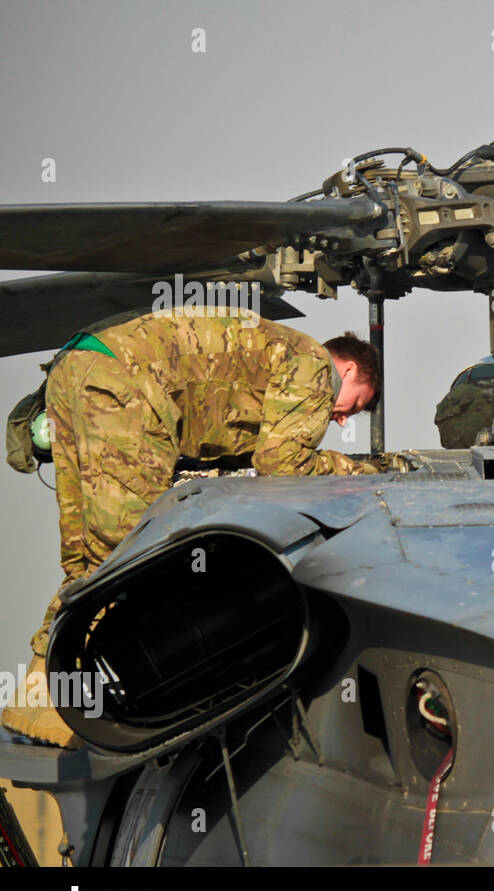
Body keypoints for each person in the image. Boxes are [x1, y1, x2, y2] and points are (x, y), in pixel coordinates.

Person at [1, 306, 382, 748]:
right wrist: (355, 471)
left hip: (76, 371)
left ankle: (39, 702)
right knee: (132, 549)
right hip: (122, 383)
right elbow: (281, 461)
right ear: (349, 368)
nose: (343, 420)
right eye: (357, 404)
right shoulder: (314, 364)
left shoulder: (274, 356)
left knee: (90, 557)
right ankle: (90, 701)